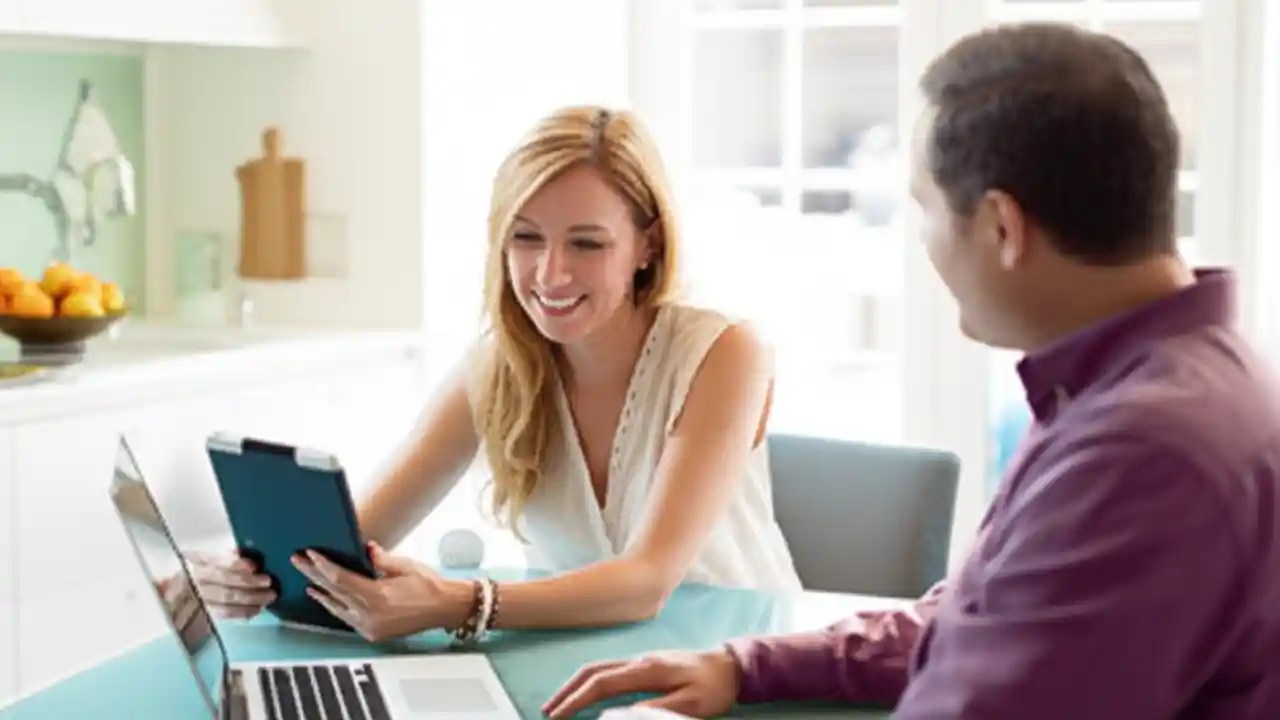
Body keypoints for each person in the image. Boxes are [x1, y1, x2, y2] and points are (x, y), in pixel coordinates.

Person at [541, 22, 1280, 720]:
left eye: (925, 210)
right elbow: (985, 619)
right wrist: (748, 665)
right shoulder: (1163, 387)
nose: (921, 244)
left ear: (1002, 228)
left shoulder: (1143, 454)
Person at [188, 105, 801, 641]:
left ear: (648, 246)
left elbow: (646, 582)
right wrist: (243, 576)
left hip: (742, 668)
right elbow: (349, 543)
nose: (550, 273)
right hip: (586, 668)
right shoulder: (497, 368)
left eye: (587, 244)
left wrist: (457, 603)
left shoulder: (726, 353)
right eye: (526, 238)